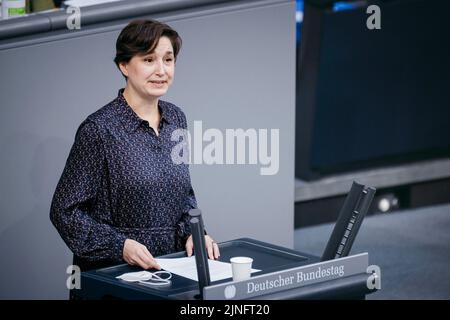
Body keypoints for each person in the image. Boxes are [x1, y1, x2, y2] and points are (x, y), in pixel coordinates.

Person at [50, 19, 220, 274]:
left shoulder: (177, 119)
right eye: (149, 60)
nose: (161, 70)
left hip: (172, 267)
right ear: (124, 65)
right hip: (117, 274)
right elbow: (65, 211)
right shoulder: (99, 130)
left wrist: (193, 233)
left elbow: (184, 195)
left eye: (168, 60)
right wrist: (120, 246)